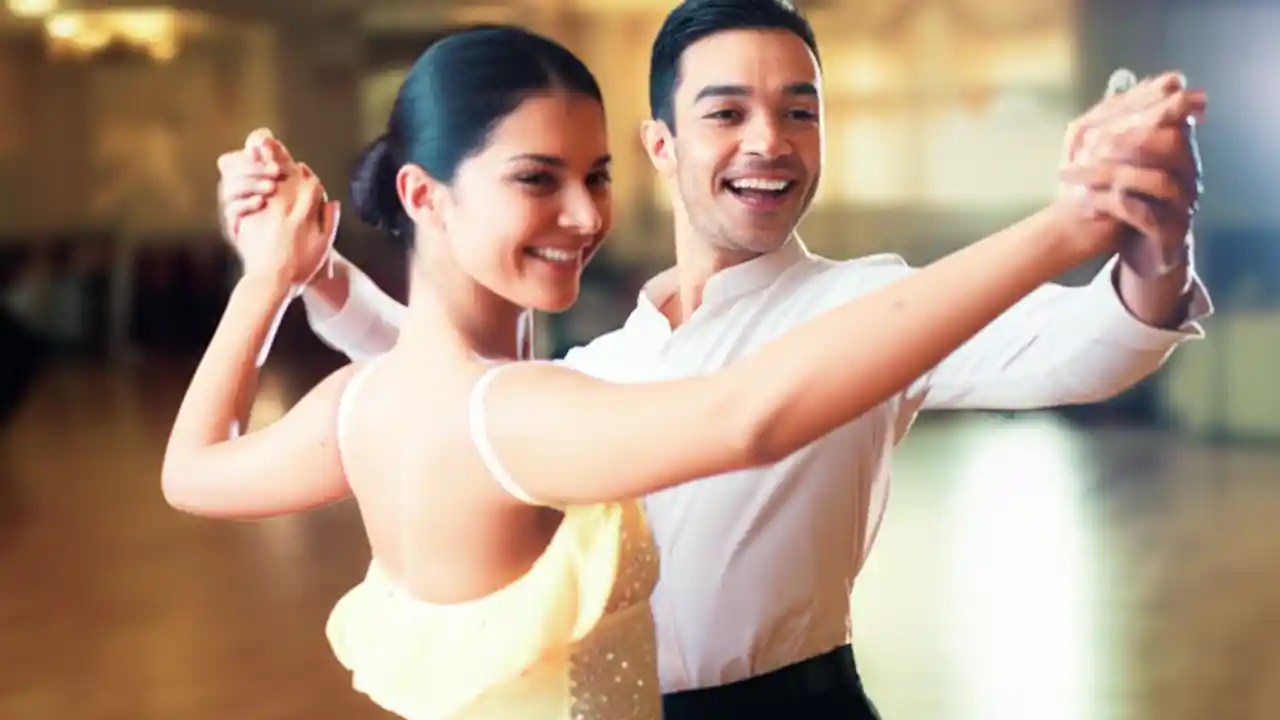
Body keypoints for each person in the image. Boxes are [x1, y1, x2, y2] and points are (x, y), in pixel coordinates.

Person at [214, 4, 1211, 717]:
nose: (767, 142)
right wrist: (306, 271)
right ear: (658, 143)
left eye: (800, 110)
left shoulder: (866, 307)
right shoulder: (599, 351)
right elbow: (447, 405)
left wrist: (1152, 240)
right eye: (726, 112)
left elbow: (1084, 351)